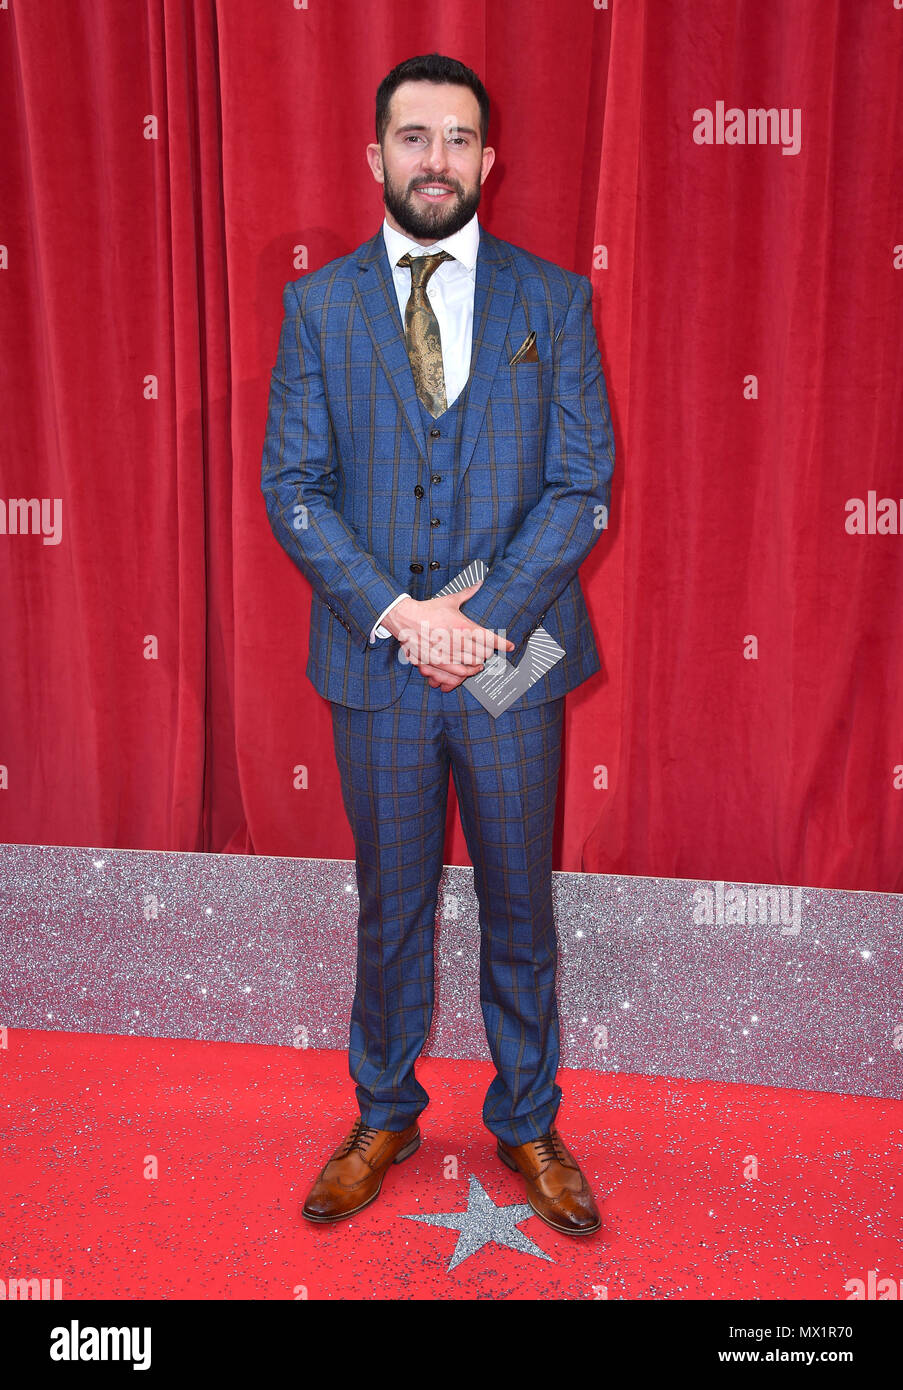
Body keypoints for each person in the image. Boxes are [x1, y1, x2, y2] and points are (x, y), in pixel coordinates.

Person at [261, 52, 615, 1237]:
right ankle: (384, 1110)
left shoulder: (553, 302)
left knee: (522, 901)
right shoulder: (317, 308)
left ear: (488, 159)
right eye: (414, 138)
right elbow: (295, 488)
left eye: (458, 139)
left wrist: (485, 618)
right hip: (375, 662)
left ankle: (526, 1118)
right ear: (376, 157)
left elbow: (580, 487)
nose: (436, 160)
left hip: (515, 659)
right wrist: (404, 616)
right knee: (390, 900)